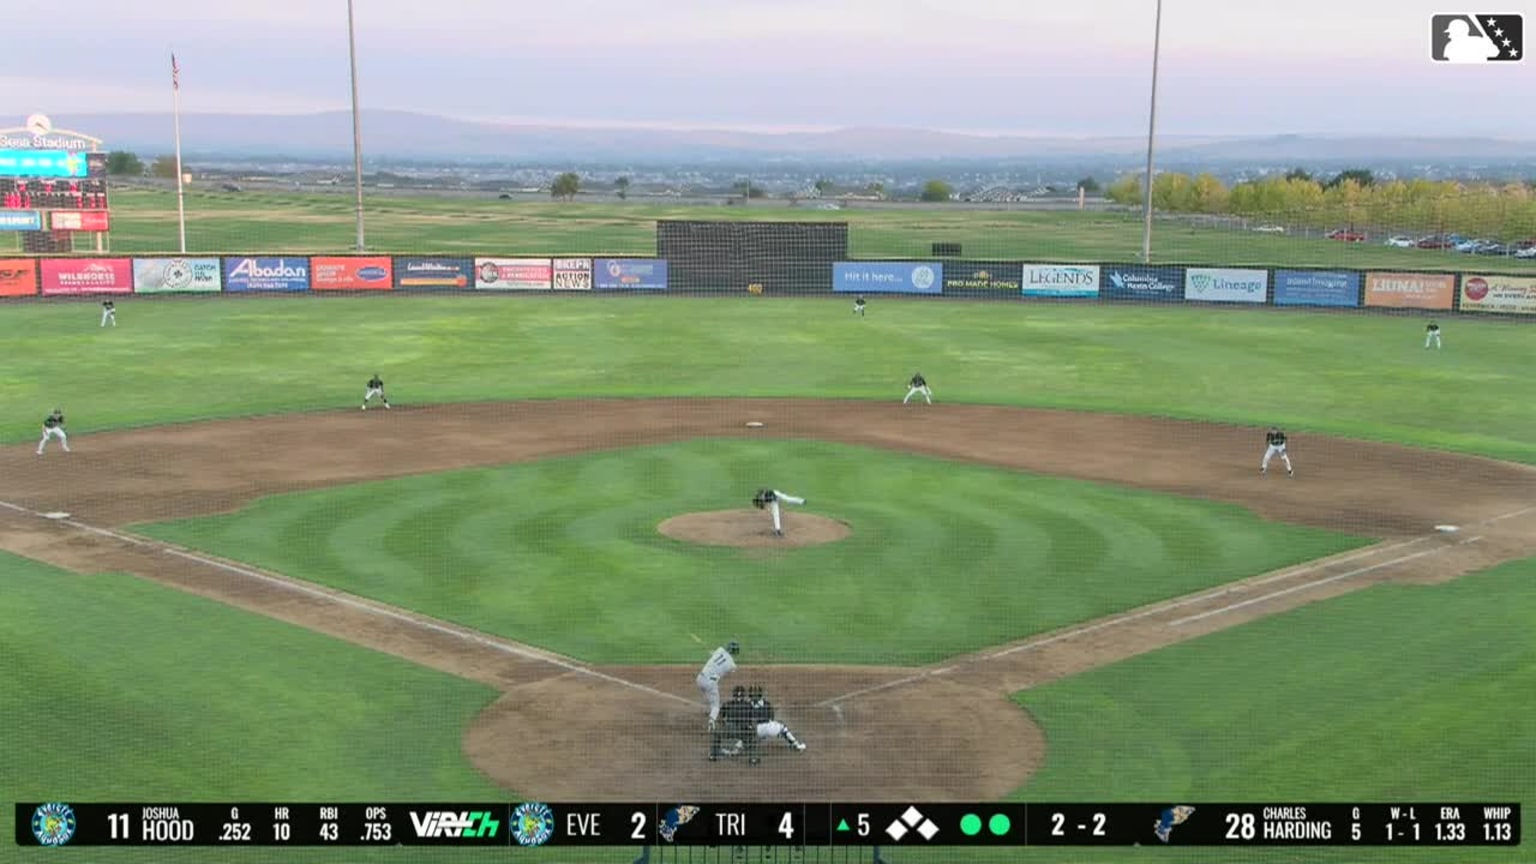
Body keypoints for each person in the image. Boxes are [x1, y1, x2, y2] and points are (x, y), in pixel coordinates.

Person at [730, 684, 807, 754]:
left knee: (745, 733)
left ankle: (736, 749)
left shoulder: (747, 705)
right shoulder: (766, 704)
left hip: (755, 730)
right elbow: (771, 717)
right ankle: (796, 745)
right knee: (783, 728)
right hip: (769, 728)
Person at [697, 640, 739, 737]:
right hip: (710, 683)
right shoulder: (732, 665)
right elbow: (731, 669)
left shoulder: (720, 650)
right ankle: (711, 723)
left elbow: (715, 656)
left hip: (700, 679)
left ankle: (711, 708)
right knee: (716, 706)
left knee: (709, 696)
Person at [714, 685, 760, 764]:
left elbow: (719, 718)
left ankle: (713, 754)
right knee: (752, 737)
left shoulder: (727, 704)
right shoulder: (748, 705)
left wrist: (723, 726)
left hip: (729, 730)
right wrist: (751, 729)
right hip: (743, 732)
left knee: (716, 733)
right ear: (744, 695)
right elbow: (753, 721)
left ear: (734, 695)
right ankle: (753, 758)